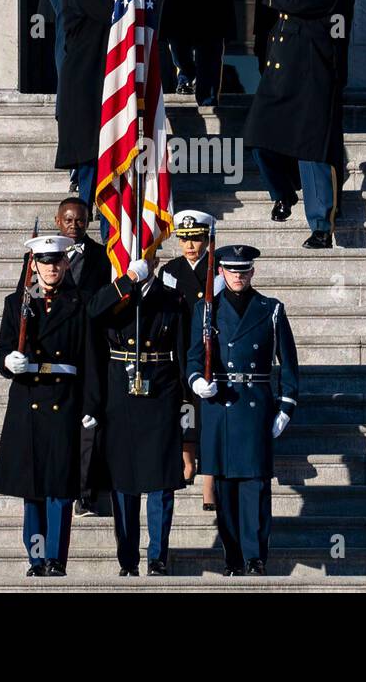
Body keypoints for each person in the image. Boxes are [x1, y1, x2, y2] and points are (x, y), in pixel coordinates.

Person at [0, 235, 104, 577]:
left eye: (57, 262)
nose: (51, 268)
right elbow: (1, 351)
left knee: (59, 488)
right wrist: (9, 361)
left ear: (66, 264)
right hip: (28, 401)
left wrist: (91, 403)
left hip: (63, 399)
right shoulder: (17, 304)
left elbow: (90, 359)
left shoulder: (80, 304)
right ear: (33, 265)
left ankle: (56, 558)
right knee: (33, 490)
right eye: (44, 262)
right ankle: (36, 557)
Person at [186, 245, 298, 576]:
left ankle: (255, 556)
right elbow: (193, 355)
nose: (238, 276)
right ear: (220, 271)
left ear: (252, 272)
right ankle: (232, 556)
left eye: (244, 270)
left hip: (254, 403)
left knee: (255, 485)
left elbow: (289, 364)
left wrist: (286, 405)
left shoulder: (271, 308)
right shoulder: (206, 309)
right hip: (220, 403)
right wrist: (195, 380)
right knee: (223, 486)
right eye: (231, 270)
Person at [241, 0, 352, 250]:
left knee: (312, 153)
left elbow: (298, 3)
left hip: (311, 82)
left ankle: (321, 225)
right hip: (281, 80)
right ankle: (284, 194)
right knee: (258, 139)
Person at [54, 0, 166, 214]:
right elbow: (112, 13)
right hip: (85, 88)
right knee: (94, 163)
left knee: (113, 159)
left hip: (105, 83)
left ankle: (109, 237)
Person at [88, 254, 190, 576]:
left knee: (161, 482)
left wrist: (188, 407)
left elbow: (184, 353)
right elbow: (92, 313)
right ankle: (127, 558)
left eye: (144, 260)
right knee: (124, 482)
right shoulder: (114, 296)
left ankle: (158, 557)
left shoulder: (172, 299)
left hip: (160, 392)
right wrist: (127, 281)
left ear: (155, 261)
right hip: (121, 395)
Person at [159, 210, 224, 512]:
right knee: (185, 408)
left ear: (207, 240)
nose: (190, 246)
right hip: (180, 345)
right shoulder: (170, 271)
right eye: (185, 239)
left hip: (212, 348)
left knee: (209, 413)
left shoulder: (220, 269)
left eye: (196, 239)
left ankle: (209, 478)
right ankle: (188, 461)